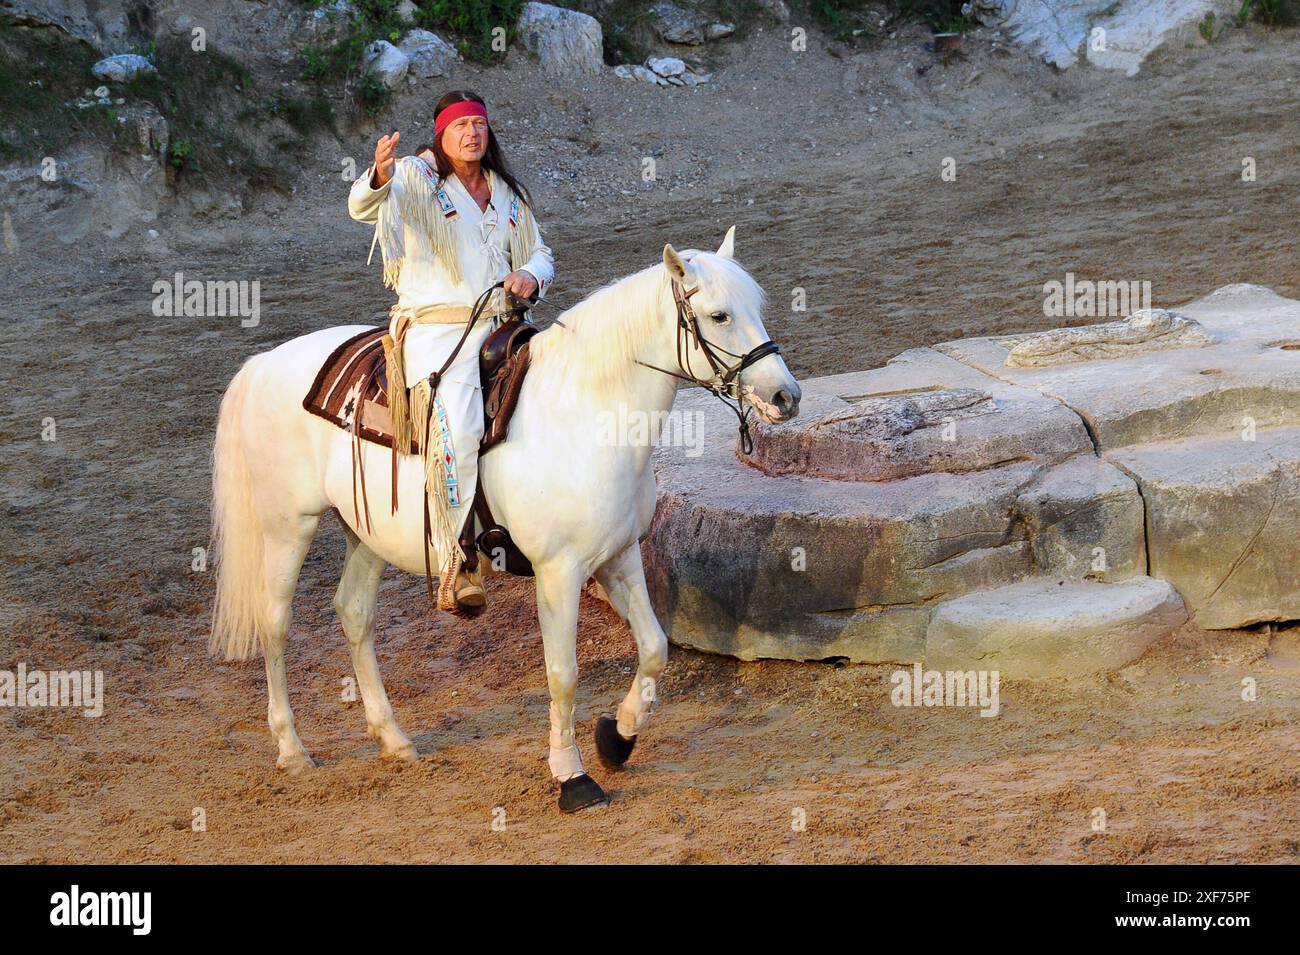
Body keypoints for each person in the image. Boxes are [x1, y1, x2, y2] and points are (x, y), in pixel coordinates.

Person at [348, 90, 555, 611]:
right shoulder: (415, 177)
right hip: (441, 331)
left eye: (478, 124)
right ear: (441, 134)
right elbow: (361, 208)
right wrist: (376, 175)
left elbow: (540, 251)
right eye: (460, 126)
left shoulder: (507, 191)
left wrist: (531, 274)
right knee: (460, 427)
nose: (471, 133)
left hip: (504, 324)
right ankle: (457, 559)